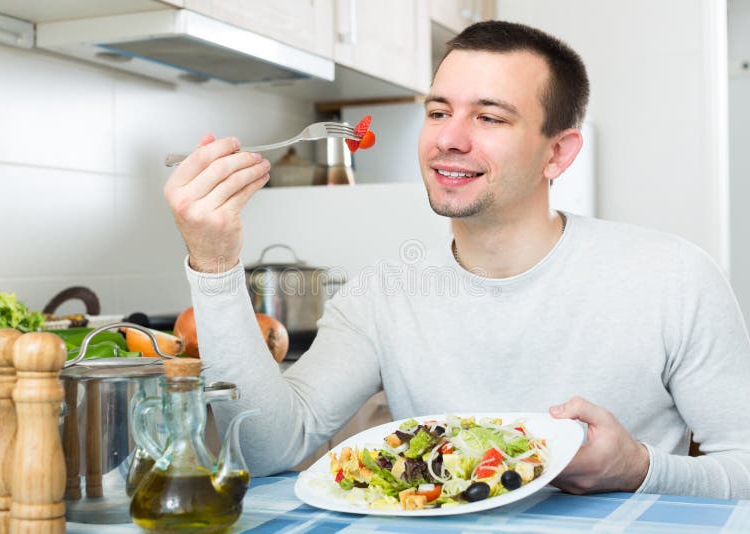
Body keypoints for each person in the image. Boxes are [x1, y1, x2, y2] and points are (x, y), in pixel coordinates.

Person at [164, 20, 750, 498]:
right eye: (439, 111)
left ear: (558, 152)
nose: (450, 138)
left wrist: (640, 469)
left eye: (489, 117)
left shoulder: (673, 276)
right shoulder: (381, 295)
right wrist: (215, 265)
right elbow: (268, 449)